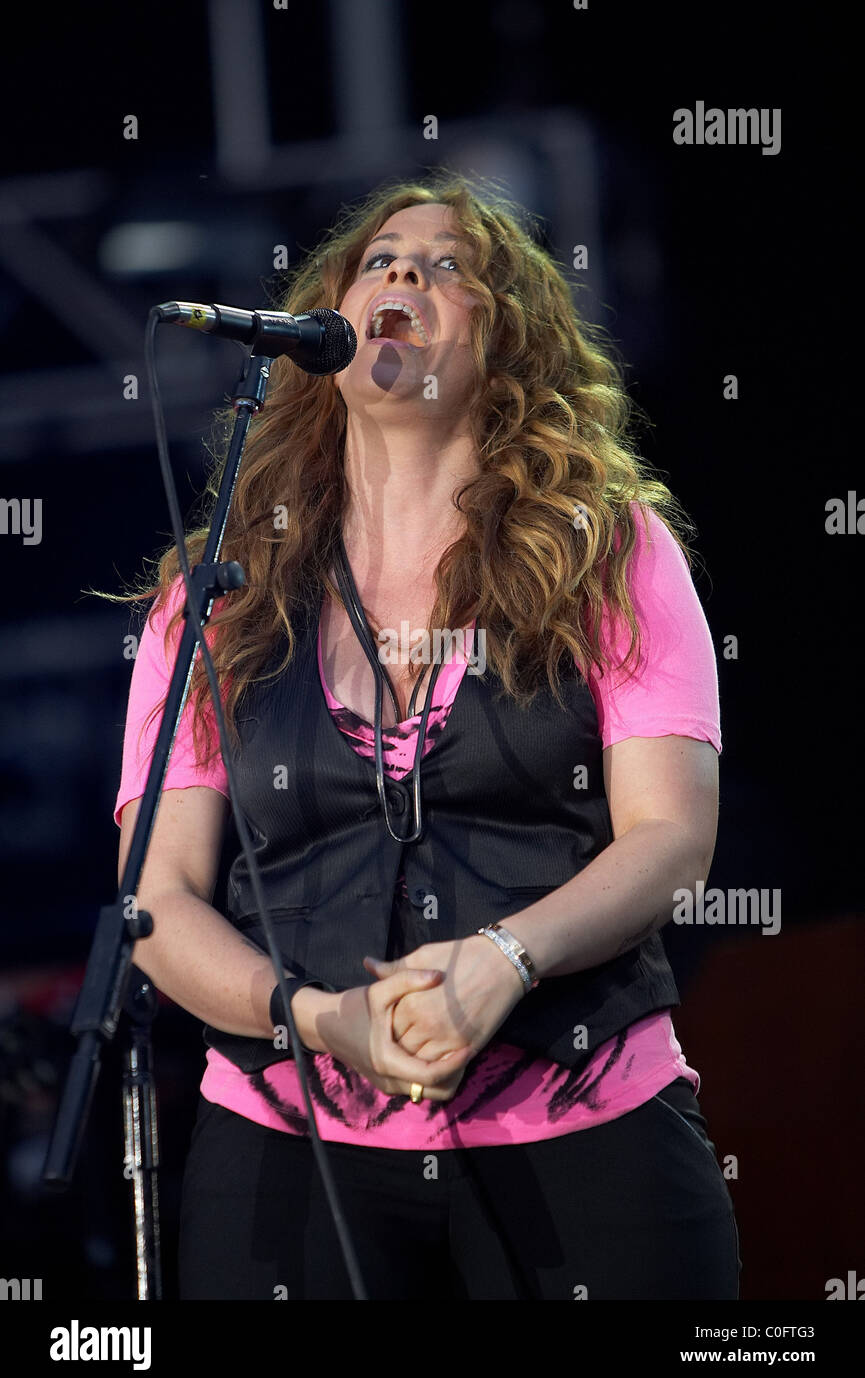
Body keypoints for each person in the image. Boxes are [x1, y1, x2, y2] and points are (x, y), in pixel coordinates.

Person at [111, 172, 741, 1300]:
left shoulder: (608, 551)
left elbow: (670, 839)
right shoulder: (215, 598)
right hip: (286, 1148)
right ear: (323, 329)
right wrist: (317, 1019)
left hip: (581, 1120)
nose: (404, 271)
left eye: (450, 267)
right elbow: (155, 899)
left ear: (508, 351)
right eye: (380, 259)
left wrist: (504, 957)